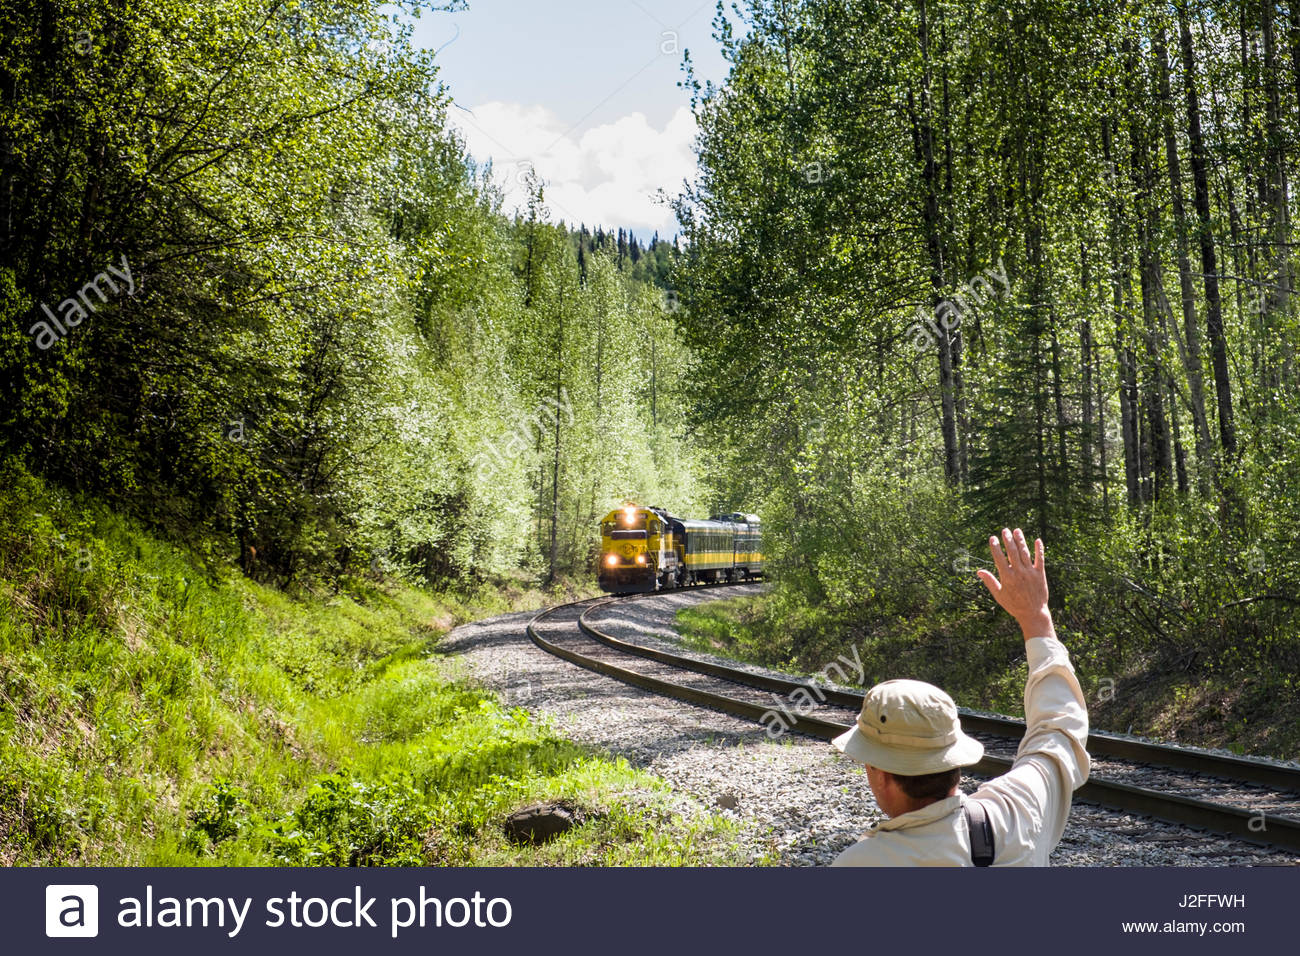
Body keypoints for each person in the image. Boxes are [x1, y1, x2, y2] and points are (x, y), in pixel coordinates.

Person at [830, 527, 1089, 866]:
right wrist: (1037, 618)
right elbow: (1058, 734)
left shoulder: (861, 864)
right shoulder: (1017, 814)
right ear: (952, 759)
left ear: (880, 774)